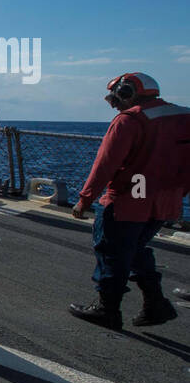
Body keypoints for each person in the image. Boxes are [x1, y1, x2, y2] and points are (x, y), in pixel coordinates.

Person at [68, 73, 190, 329]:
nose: (114, 104)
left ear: (127, 92)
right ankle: (155, 304)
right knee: (135, 249)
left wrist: (85, 199)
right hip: (165, 202)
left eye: (115, 97)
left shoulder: (129, 120)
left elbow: (106, 165)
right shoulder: (183, 116)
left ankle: (107, 310)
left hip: (129, 200)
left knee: (111, 251)